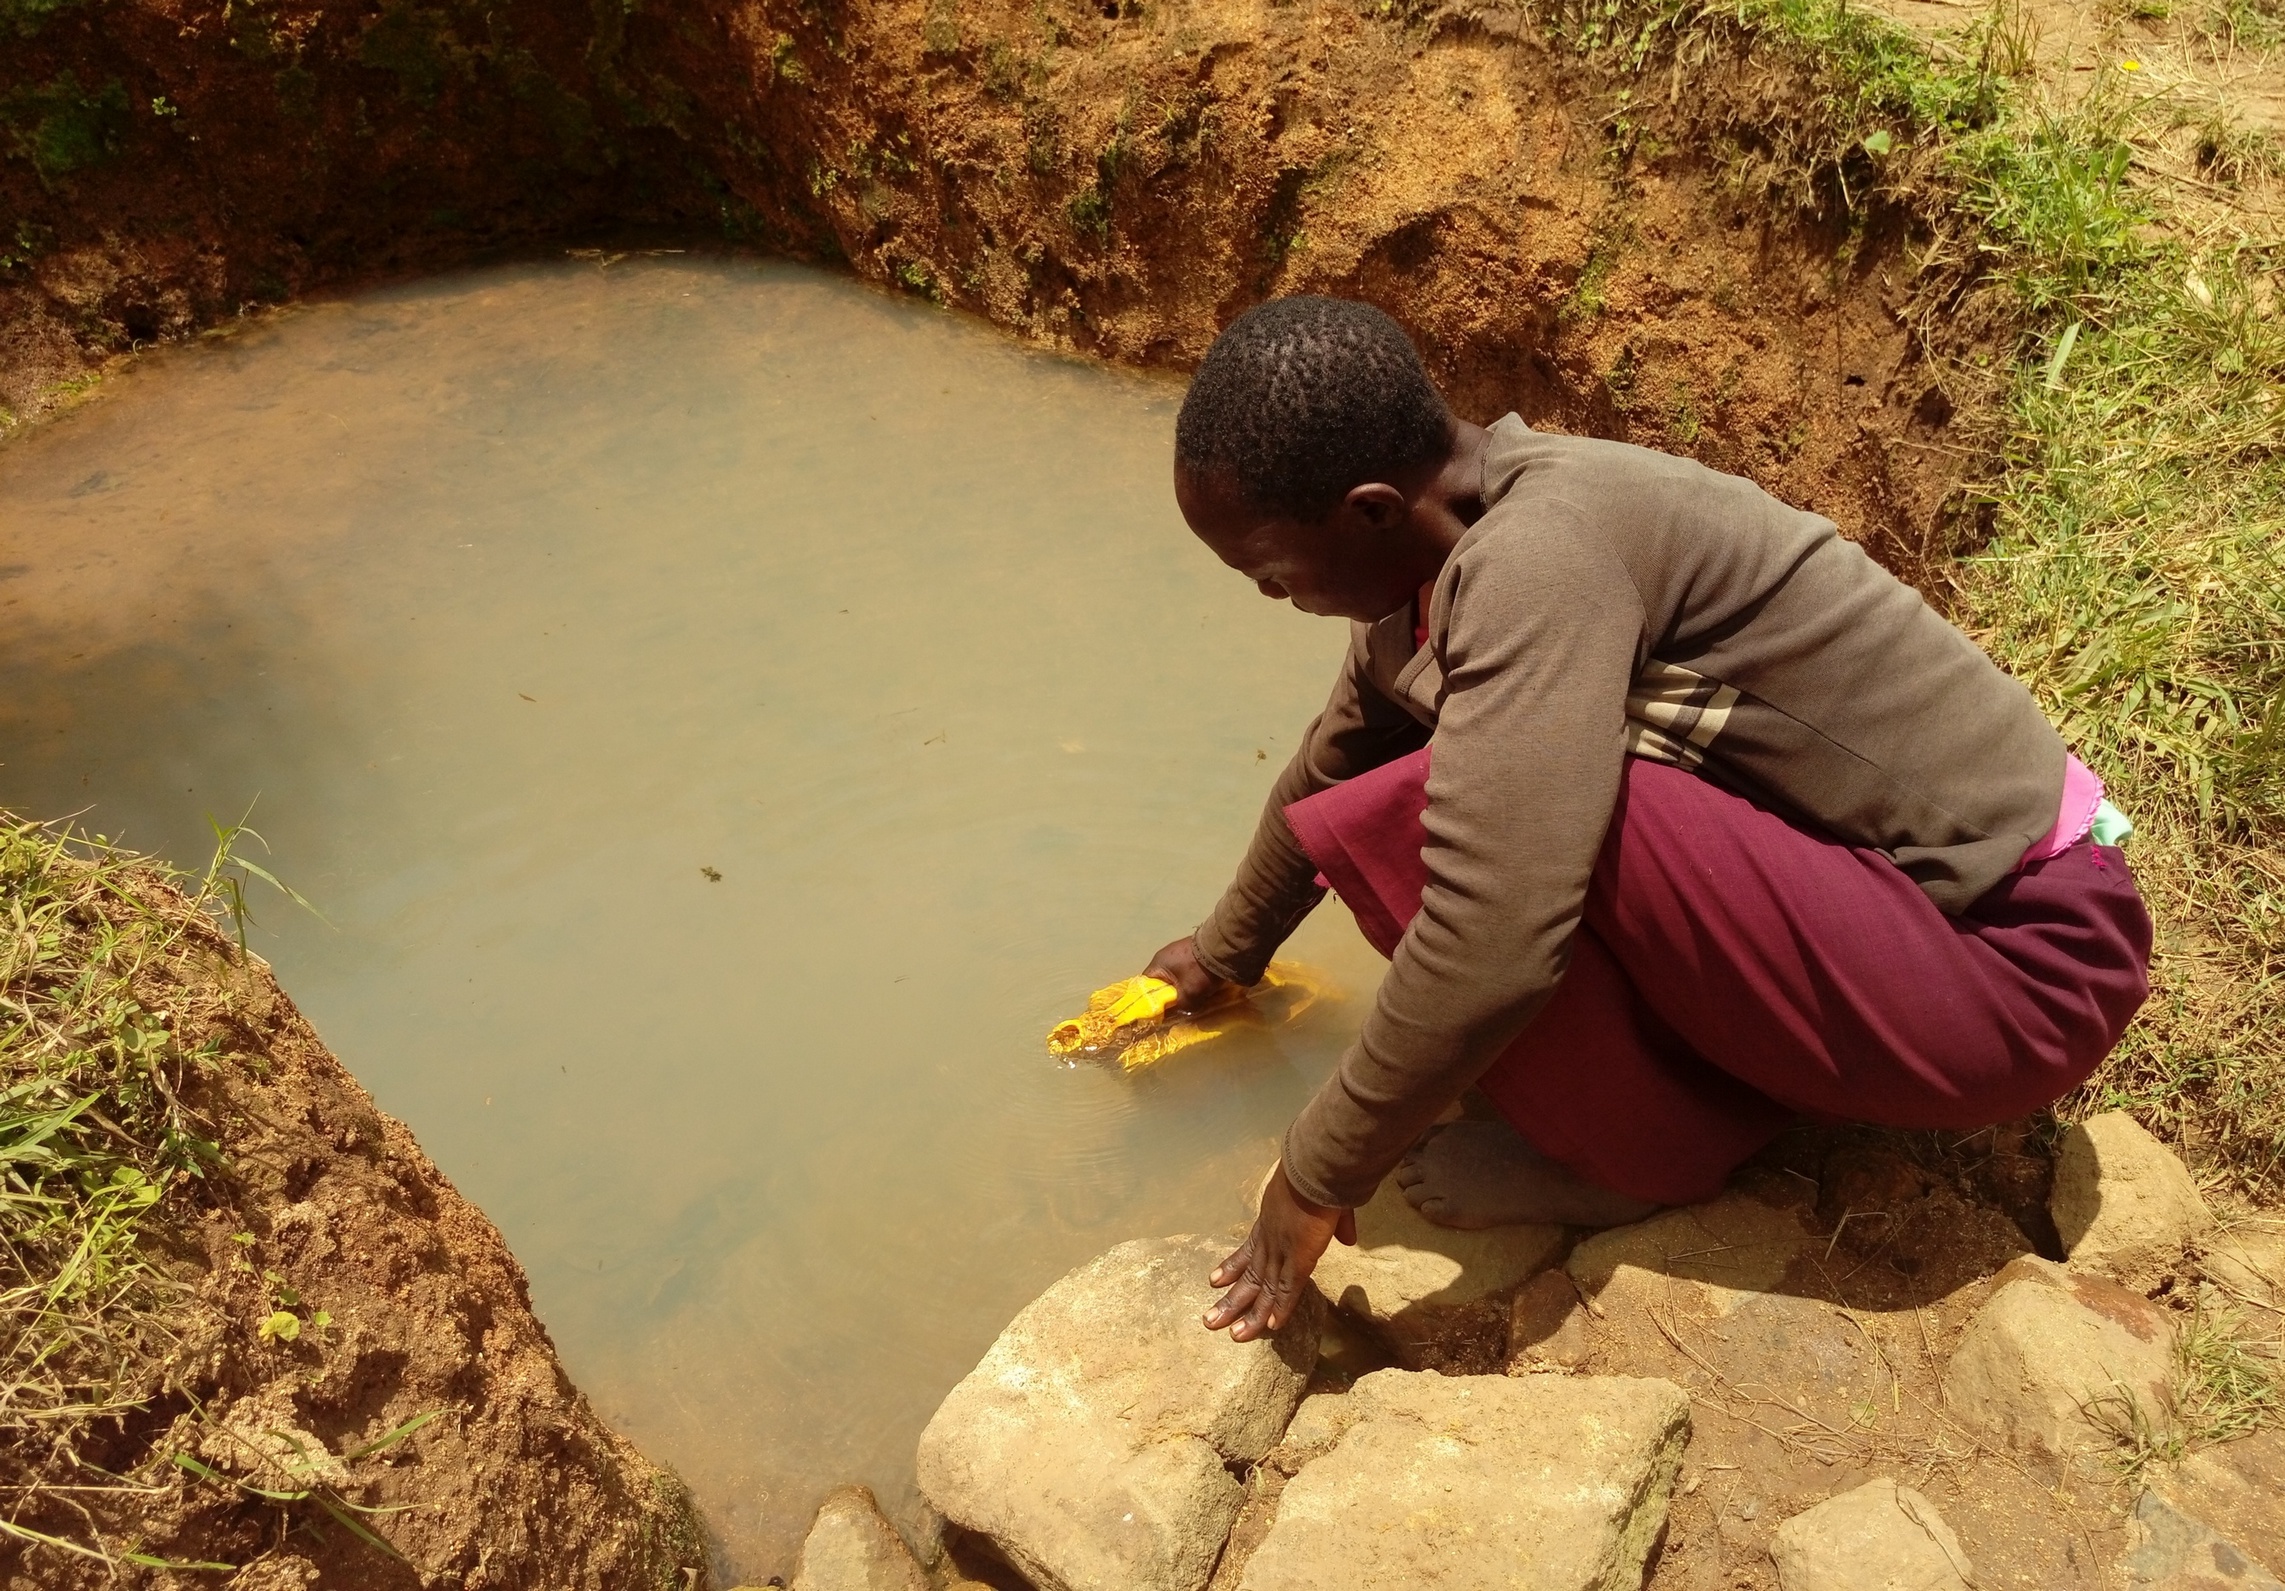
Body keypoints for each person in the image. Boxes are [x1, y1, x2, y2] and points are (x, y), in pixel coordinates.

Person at [1143, 296, 2152, 1344]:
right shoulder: (1453, 548)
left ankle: (1638, 1158)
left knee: (1470, 813)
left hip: (2019, 974)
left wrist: (1311, 1173)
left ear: (1366, 510)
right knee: (1475, 782)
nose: (1268, 595)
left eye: (1266, 568)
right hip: (1909, 929)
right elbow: (1326, 765)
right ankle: (1700, 1086)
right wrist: (1223, 956)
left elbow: (1494, 932)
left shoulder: (1541, 555)